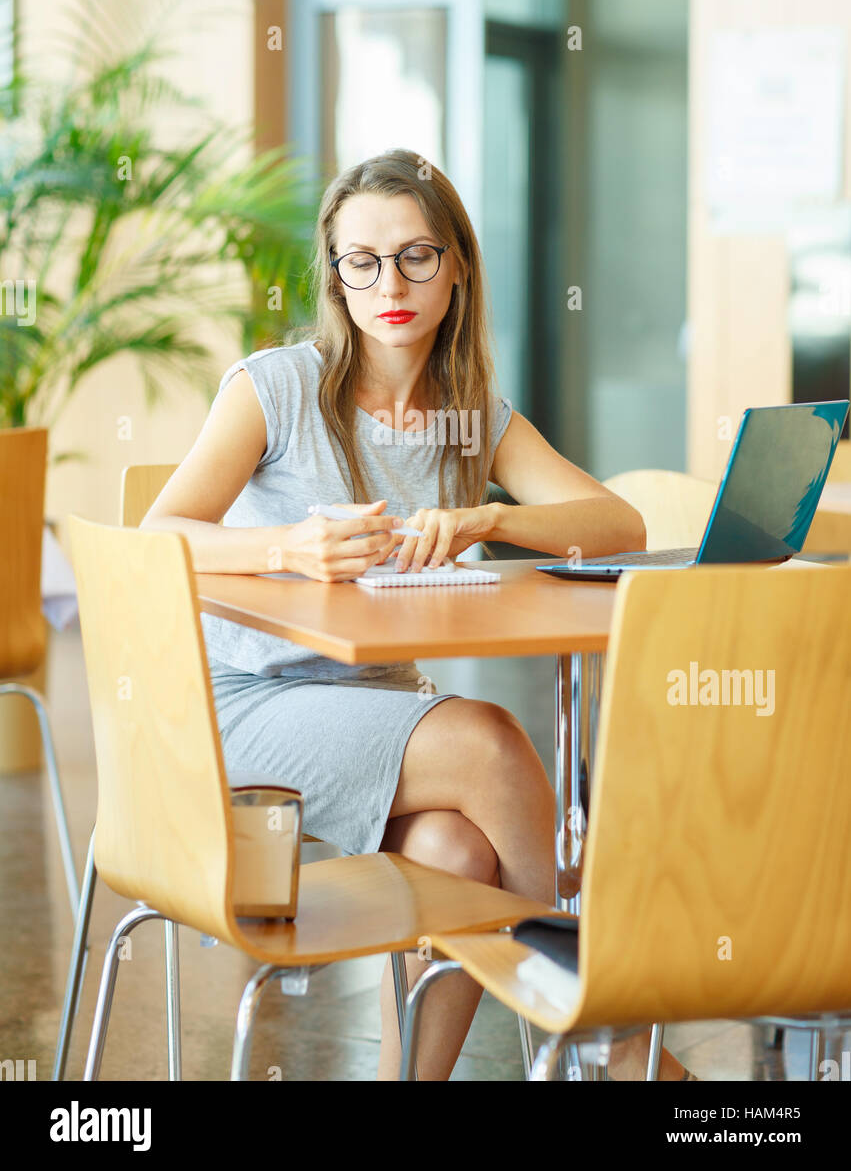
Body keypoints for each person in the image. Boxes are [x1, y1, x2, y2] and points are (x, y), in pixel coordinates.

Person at [143, 146, 692, 1082]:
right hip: (238, 704)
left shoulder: (472, 414)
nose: (388, 282)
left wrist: (492, 514)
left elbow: (616, 523)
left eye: (415, 256)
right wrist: (285, 548)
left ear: (456, 268)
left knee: (454, 853)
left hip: (378, 710)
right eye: (362, 261)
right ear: (336, 277)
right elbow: (156, 536)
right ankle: (626, 1048)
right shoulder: (273, 388)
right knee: (487, 741)